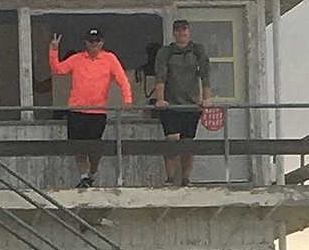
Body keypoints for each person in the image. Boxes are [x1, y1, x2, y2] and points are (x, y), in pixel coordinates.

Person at [47, 26, 133, 188]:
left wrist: (127, 100)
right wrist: (53, 50)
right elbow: (58, 69)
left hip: (97, 112)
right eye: (91, 41)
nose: (94, 44)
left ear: (102, 42)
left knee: (95, 148)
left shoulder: (110, 59)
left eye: (97, 41)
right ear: (86, 43)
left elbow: (122, 80)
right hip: (76, 110)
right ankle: (84, 177)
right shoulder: (77, 58)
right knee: (78, 147)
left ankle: (92, 173)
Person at [150, 17, 212, 186]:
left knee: (187, 143)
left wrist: (206, 98)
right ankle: (170, 178)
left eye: (184, 29)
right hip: (171, 104)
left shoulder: (197, 49)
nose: (181, 33)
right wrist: (161, 99)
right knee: (171, 139)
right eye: (177, 30)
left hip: (191, 104)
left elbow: (205, 75)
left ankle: (185, 178)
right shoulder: (166, 52)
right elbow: (160, 76)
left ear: (189, 31)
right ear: (173, 33)